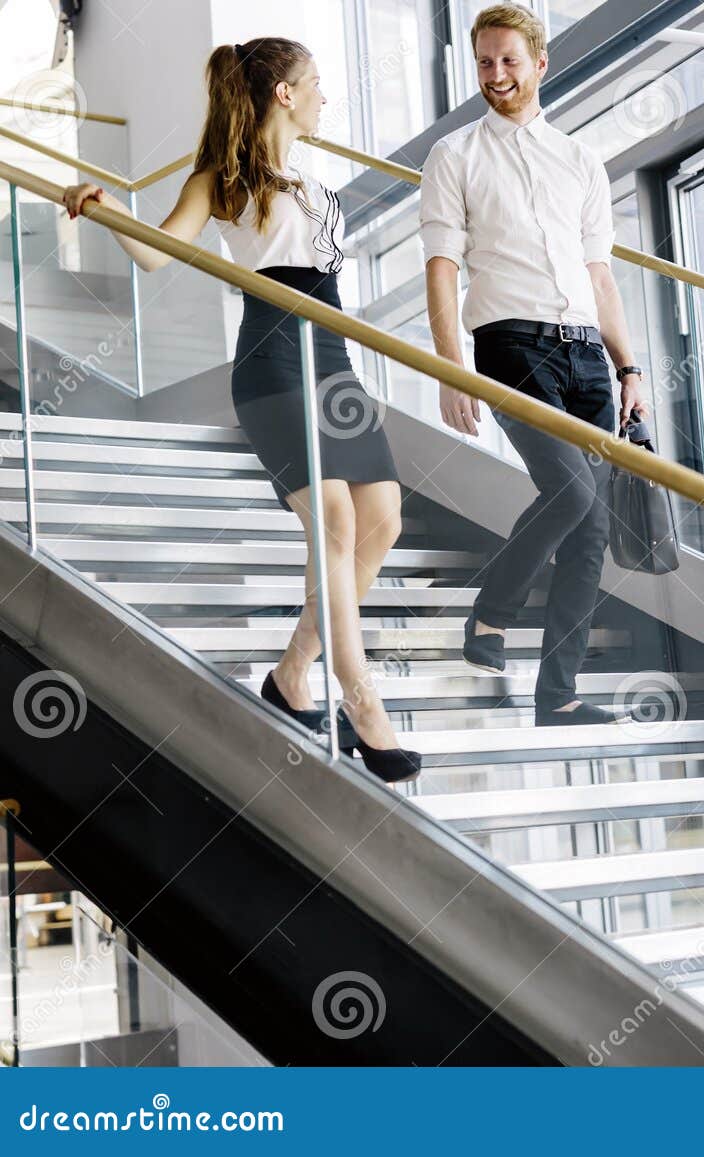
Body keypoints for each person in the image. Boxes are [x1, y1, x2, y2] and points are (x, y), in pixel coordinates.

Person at [64, 38, 421, 782]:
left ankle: (292, 673)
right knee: (336, 523)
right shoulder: (223, 179)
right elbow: (157, 253)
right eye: (315, 84)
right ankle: (363, 705)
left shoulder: (312, 179)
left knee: (383, 516)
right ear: (283, 95)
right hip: (272, 360)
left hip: (333, 357)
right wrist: (101, 209)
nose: (325, 96)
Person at [420, 3, 647, 727]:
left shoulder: (581, 162)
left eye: (509, 60)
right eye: (484, 62)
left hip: (586, 352)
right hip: (512, 344)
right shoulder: (454, 156)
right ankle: (490, 613)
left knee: (591, 527)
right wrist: (452, 371)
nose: (495, 75)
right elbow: (441, 270)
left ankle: (560, 693)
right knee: (571, 495)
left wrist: (629, 366)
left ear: (540, 64)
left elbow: (600, 276)